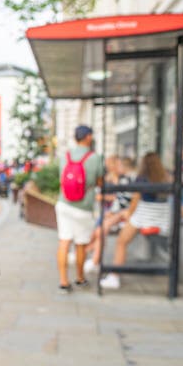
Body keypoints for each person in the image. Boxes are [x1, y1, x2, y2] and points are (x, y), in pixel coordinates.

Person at [100, 152, 171, 289]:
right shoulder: (165, 178)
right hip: (163, 221)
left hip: (144, 218)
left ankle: (115, 276)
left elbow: (135, 202)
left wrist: (128, 214)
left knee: (121, 242)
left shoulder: (141, 179)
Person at [55, 125, 104, 293]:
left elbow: (62, 178)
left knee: (64, 241)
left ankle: (63, 282)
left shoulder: (65, 156)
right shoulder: (95, 157)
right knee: (81, 244)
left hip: (64, 203)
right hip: (83, 206)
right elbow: (100, 182)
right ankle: (80, 278)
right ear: (88, 137)